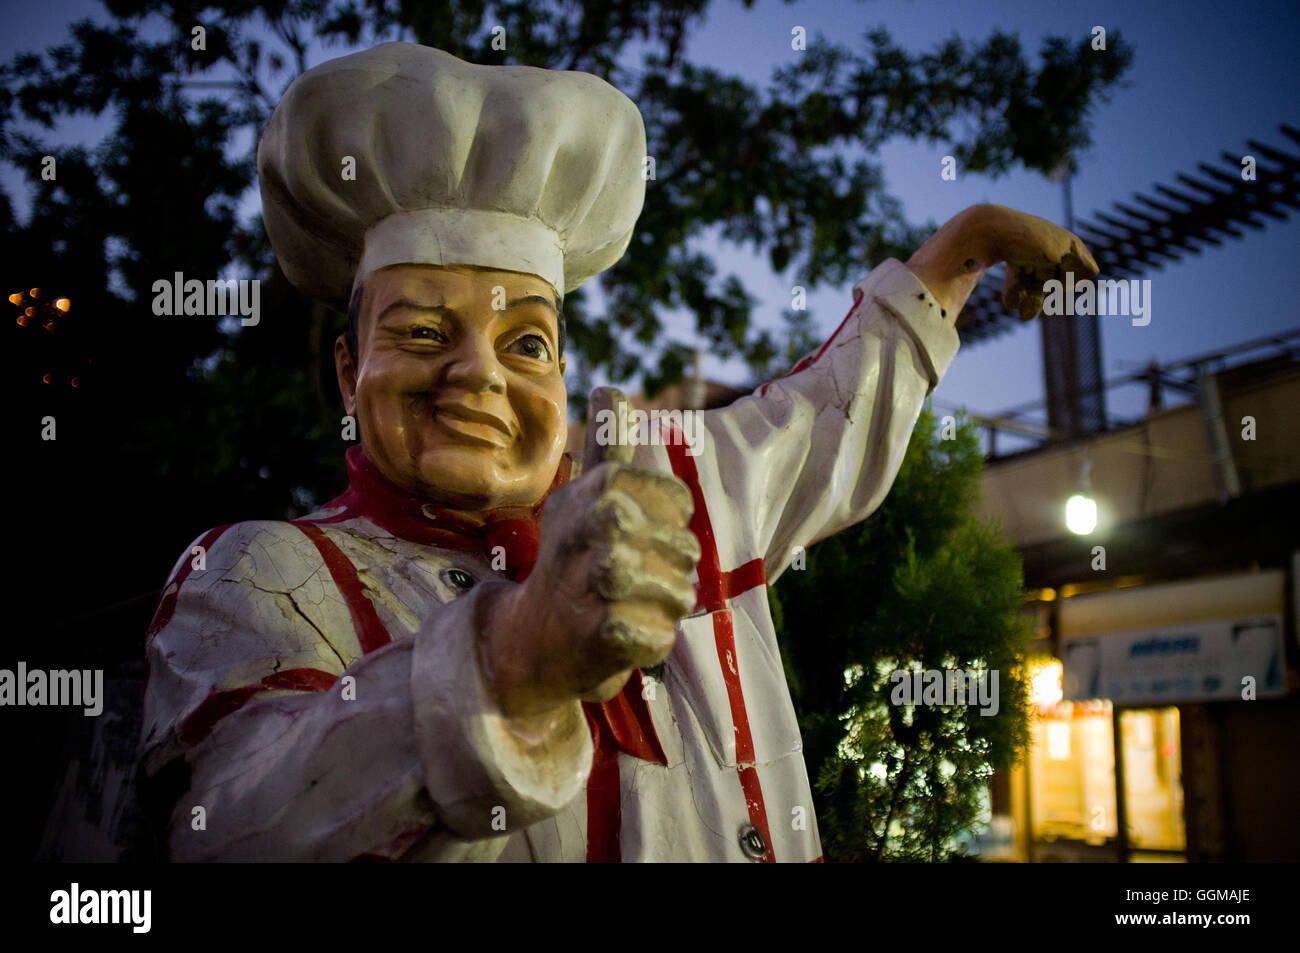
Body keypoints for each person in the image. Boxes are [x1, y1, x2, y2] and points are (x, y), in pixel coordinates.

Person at [139, 42, 1096, 862]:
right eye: (425, 332)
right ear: (350, 374)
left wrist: (967, 244)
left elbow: (827, 414)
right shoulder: (261, 573)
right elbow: (225, 824)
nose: (479, 376)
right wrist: (510, 661)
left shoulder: (675, 489)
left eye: (527, 344)